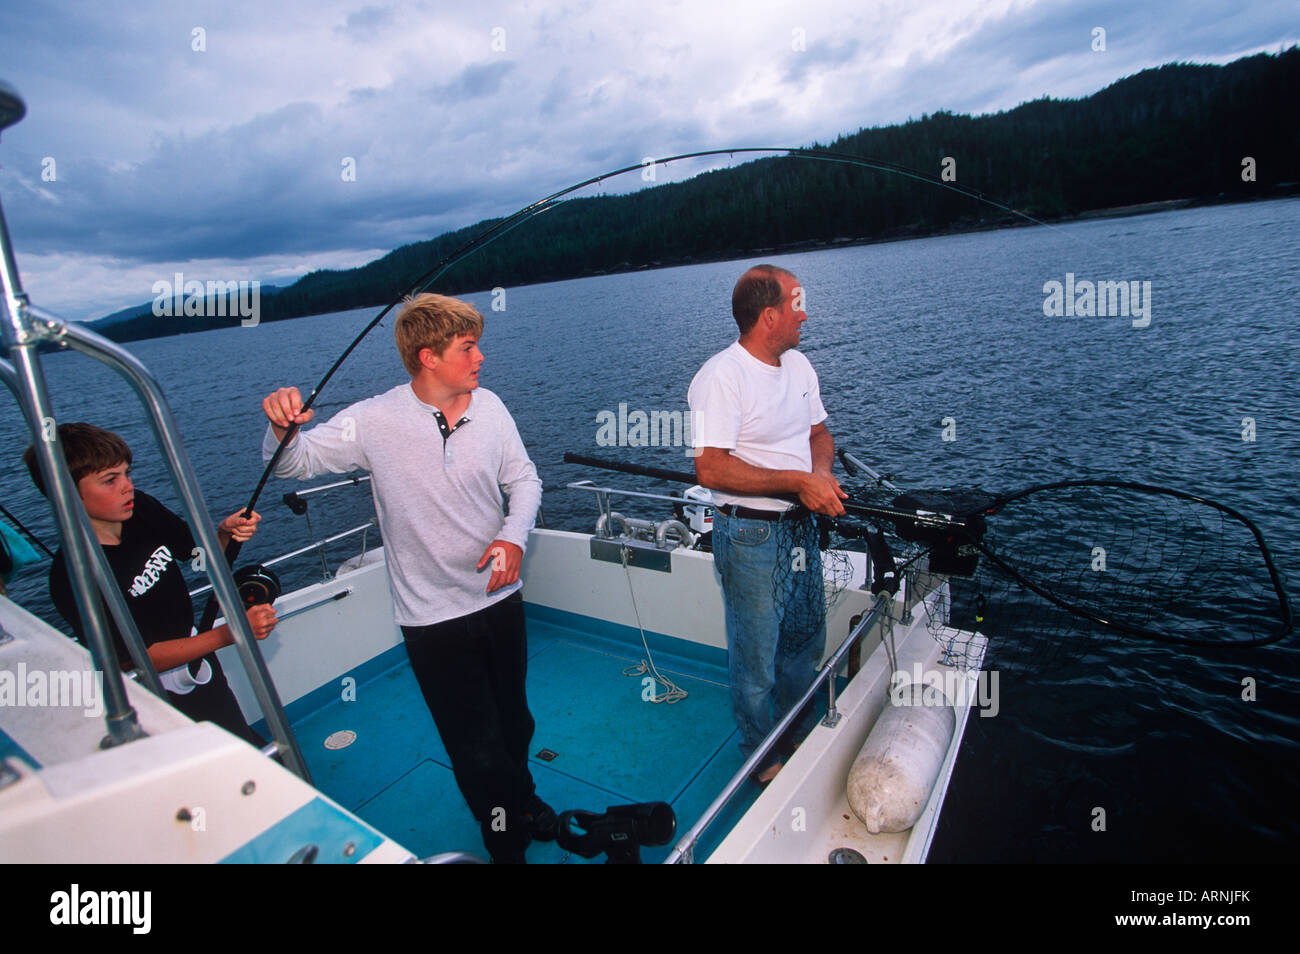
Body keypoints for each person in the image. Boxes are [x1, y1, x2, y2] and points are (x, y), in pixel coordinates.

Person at [259, 292, 553, 863]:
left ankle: (522, 799)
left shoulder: (489, 407)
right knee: (477, 748)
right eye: (468, 348)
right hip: (431, 619)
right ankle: (503, 839)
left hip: (499, 600)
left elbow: (525, 481)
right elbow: (296, 462)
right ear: (428, 357)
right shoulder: (374, 420)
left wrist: (513, 536)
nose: (481, 358)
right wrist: (282, 429)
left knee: (515, 722)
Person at [687, 264, 847, 784]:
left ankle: (796, 732)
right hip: (750, 535)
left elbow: (820, 434)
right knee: (757, 656)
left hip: (801, 530)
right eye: (797, 304)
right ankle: (762, 756)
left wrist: (818, 475)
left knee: (804, 641)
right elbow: (711, 467)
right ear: (770, 316)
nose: (806, 313)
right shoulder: (721, 377)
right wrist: (797, 482)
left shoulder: (799, 366)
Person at [23, 423, 276, 746]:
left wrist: (225, 533)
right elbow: (134, 658)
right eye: (110, 480)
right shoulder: (72, 576)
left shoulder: (140, 509)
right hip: (152, 693)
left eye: (127, 473)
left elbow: (198, 557)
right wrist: (231, 633)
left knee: (237, 739)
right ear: (65, 494)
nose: (127, 487)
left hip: (199, 663)